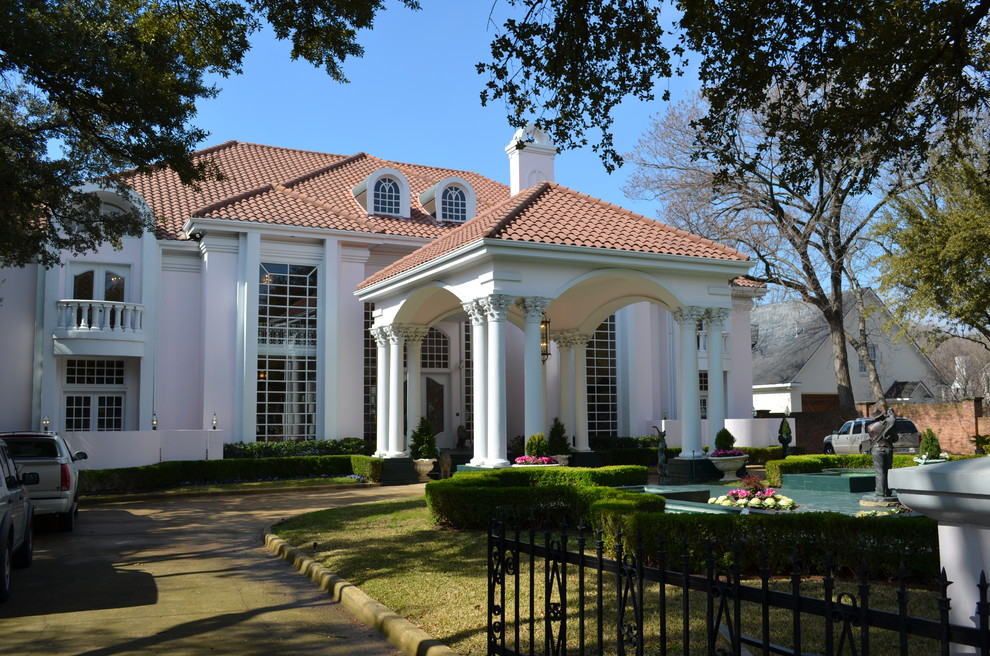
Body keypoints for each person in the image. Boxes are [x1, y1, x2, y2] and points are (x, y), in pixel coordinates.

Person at [867, 408, 898, 500]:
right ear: (882, 415)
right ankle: (888, 492)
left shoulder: (870, 427)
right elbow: (895, 439)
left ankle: (880, 493)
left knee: (879, 472)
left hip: (877, 449)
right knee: (888, 471)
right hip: (888, 449)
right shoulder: (889, 425)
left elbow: (872, 438)